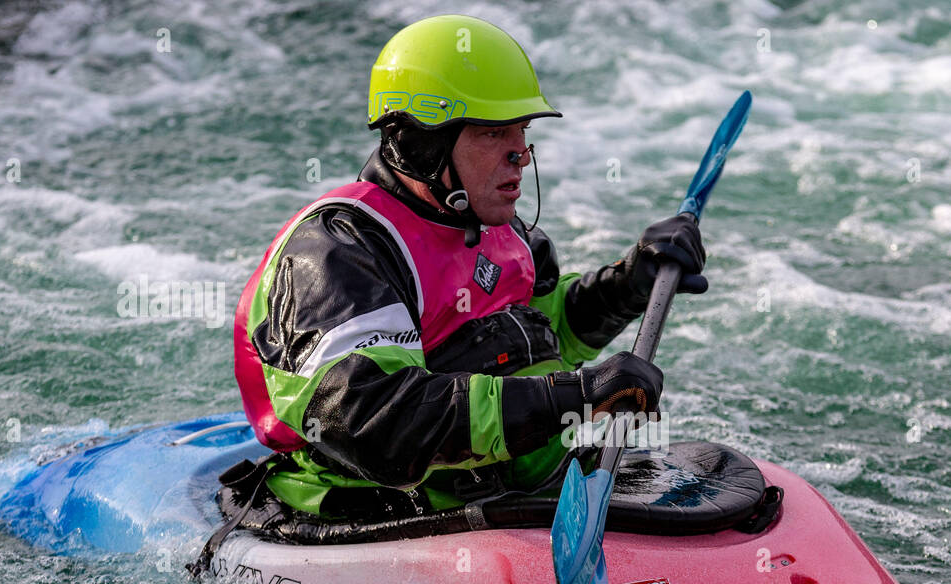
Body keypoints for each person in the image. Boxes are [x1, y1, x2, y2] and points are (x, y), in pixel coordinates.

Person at [231, 14, 708, 520]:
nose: (520, 155)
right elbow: (377, 422)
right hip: (374, 507)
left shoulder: (500, 230)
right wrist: (580, 395)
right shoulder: (337, 253)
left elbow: (546, 334)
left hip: (503, 490)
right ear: (419, 143)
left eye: (522, 131)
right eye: (493, 132)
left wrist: (630, 282)